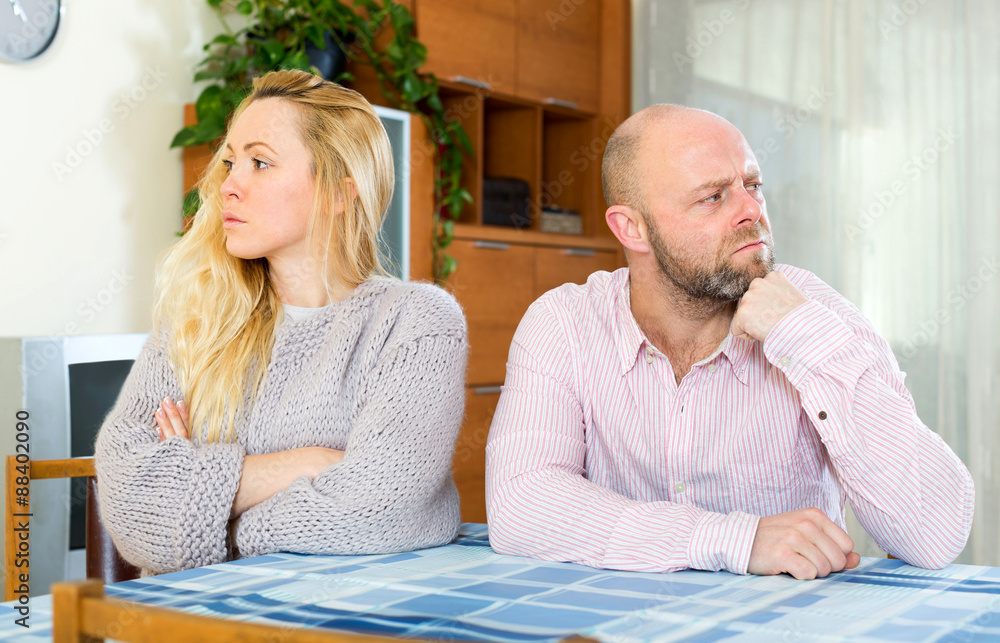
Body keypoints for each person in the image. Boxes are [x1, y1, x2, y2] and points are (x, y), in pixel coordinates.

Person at [485, 104, 974, 580]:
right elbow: (523, 503)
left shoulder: (817, 316)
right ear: (631, 228)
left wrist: (804, 338)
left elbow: (934, 536)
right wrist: (737, 540)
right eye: (713, 197)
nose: (751, 211)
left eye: (753, 185)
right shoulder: (564, 323)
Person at [95, 70, 468, 575]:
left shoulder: (417, 323)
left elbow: (380, 510)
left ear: (339, 193)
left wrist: (200, 517)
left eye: (260, 162)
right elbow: (129, 506)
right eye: (230, 162)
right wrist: (299, 465)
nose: (228, 185)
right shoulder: (195, 319)